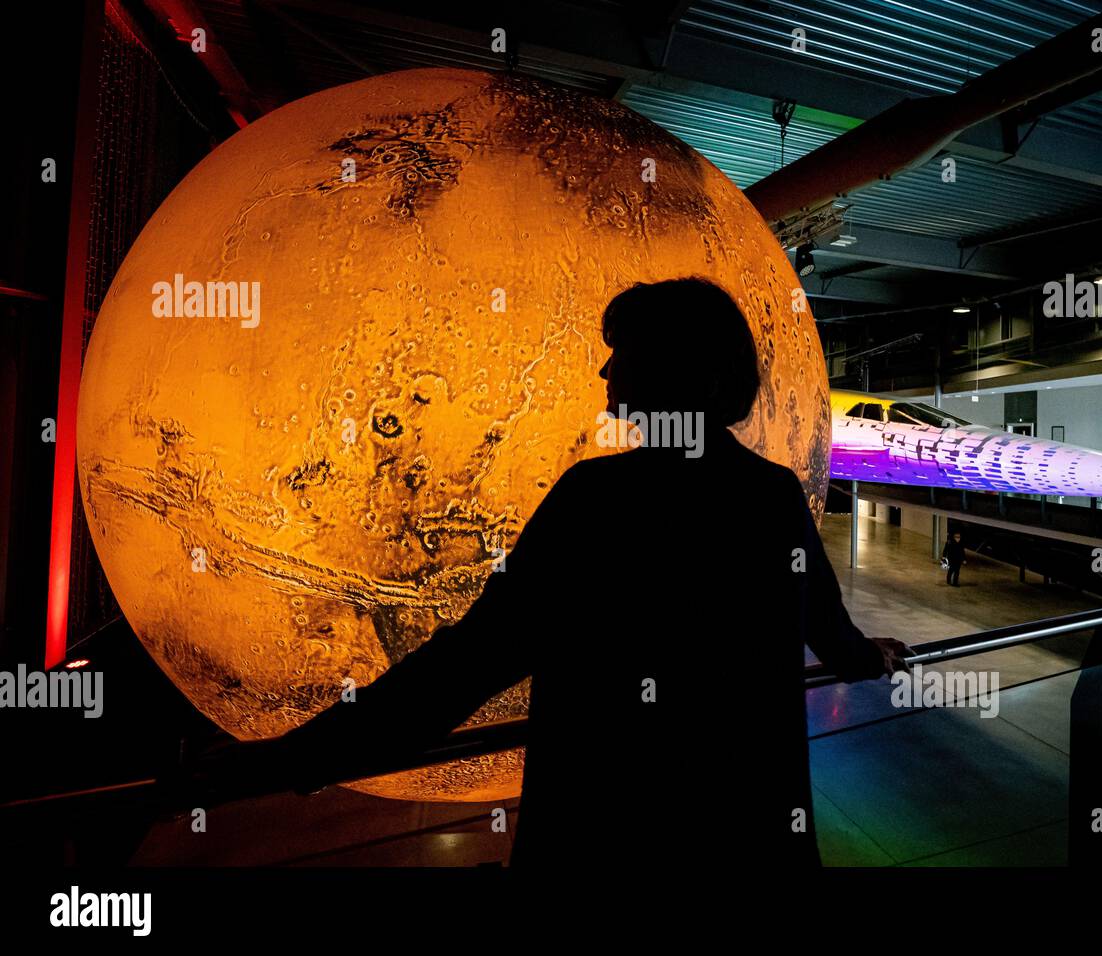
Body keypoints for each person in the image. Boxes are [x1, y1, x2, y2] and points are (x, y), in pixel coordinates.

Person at [188, 277, 910, 867]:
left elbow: (466, 666)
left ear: (672, 369)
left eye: (624, 352)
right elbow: (831, 635)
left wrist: (299, 758)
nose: (605, 369)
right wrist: (869, 657)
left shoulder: (598, 501)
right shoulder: (772, 495)